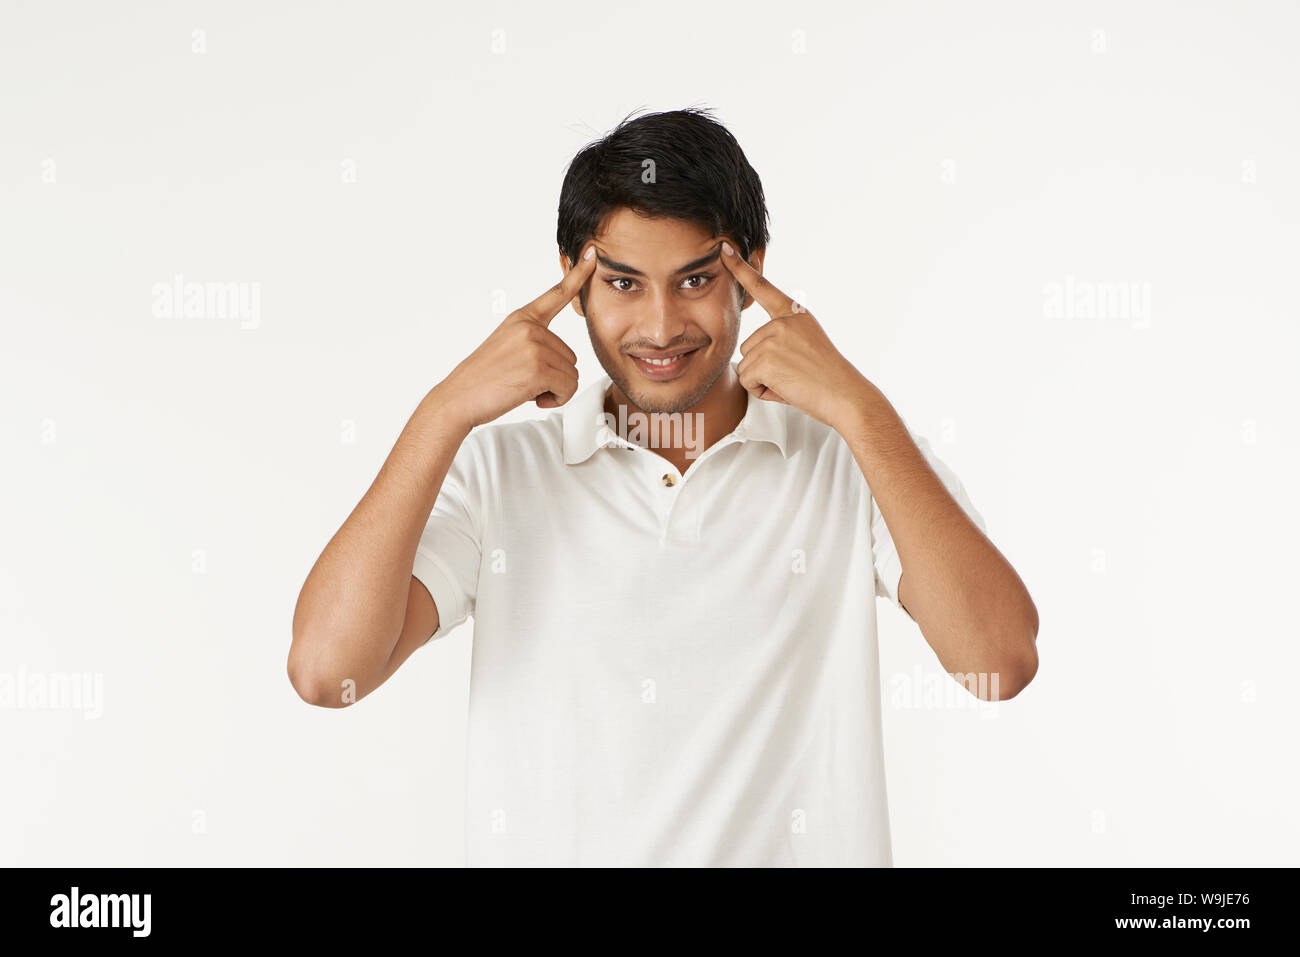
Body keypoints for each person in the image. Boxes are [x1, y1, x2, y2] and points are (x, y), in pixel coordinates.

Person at [288, 107, 1039, 866]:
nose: (660, 325)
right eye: (622, 282)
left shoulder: (852, 456)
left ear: (753, 271)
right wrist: (443, 409)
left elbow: (999, 660)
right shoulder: (497, 473)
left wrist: (858, 407)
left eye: (696, 280)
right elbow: (327, 670)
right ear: (572, 281)